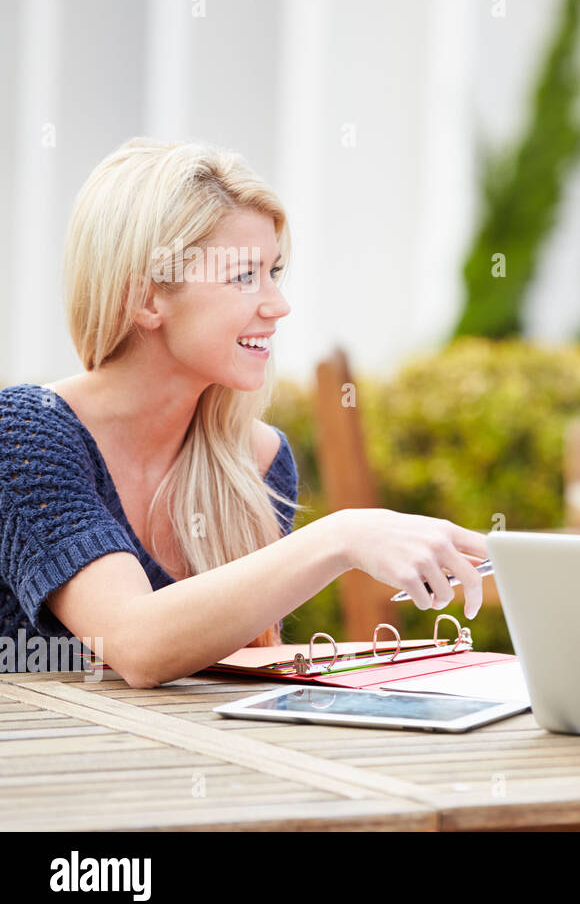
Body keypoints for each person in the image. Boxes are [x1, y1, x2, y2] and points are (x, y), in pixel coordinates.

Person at [0, 138, 487, 689]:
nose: (278, 305)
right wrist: (343, 537)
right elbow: (135, 645)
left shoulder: (257, 462)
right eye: (243, 276)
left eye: (275, 271)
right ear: (147, 300)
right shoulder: (24, 435)